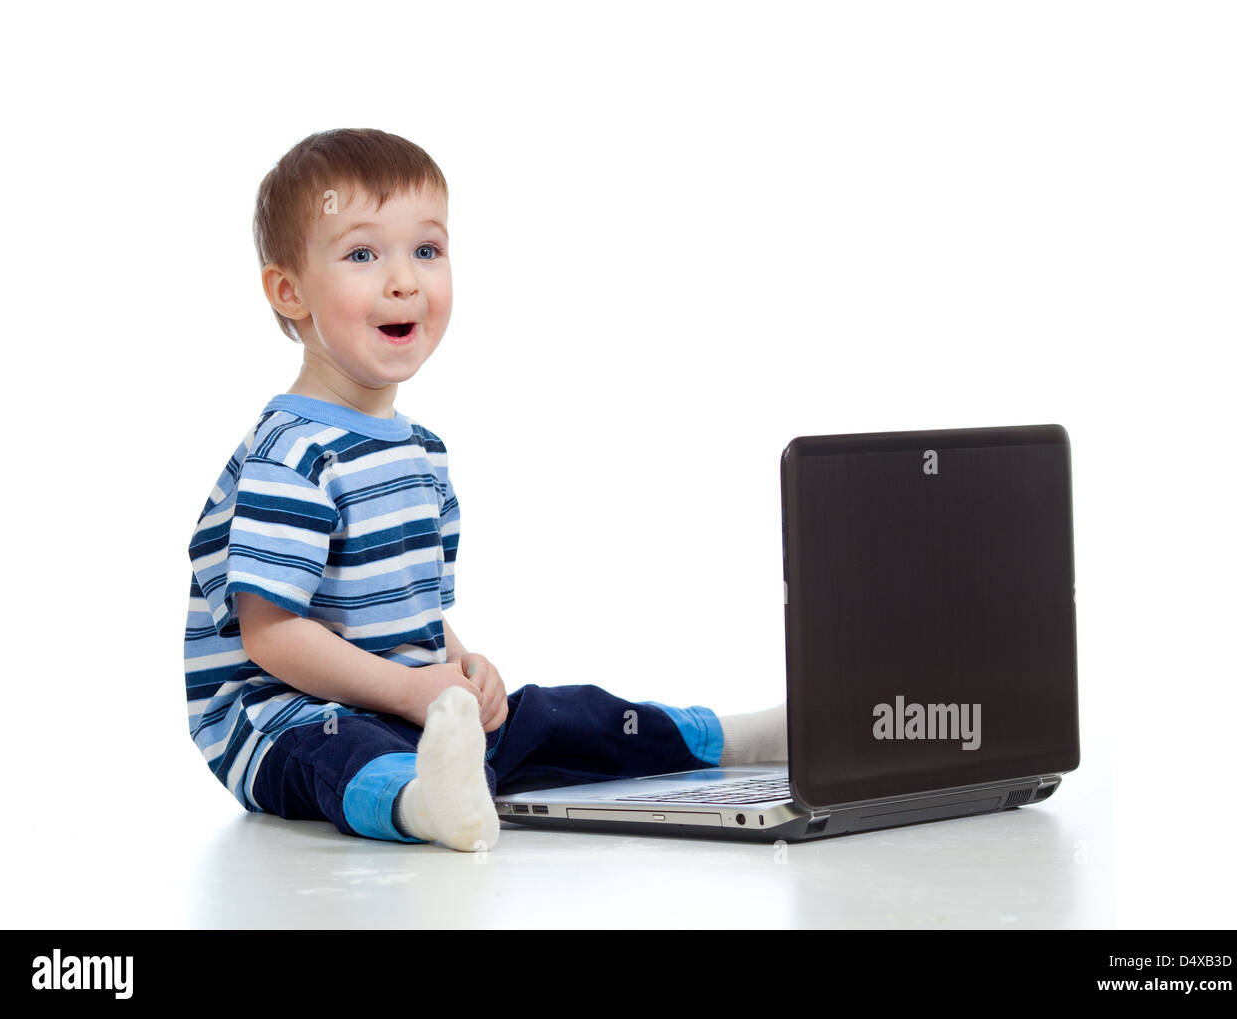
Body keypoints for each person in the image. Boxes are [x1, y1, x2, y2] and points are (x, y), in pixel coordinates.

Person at [183, 128, 786, 852]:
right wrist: (411, 691)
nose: (404, 280)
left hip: (404, 704)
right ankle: (420, 801)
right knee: (339, 751)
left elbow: (419, 617)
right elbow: (272, 635)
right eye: (363, 253)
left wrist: (460, 666)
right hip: (283, 717)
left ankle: (721, 738)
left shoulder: (422, 454)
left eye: (427, 250)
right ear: (290, 291)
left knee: (558, 717)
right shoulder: (292, 453)